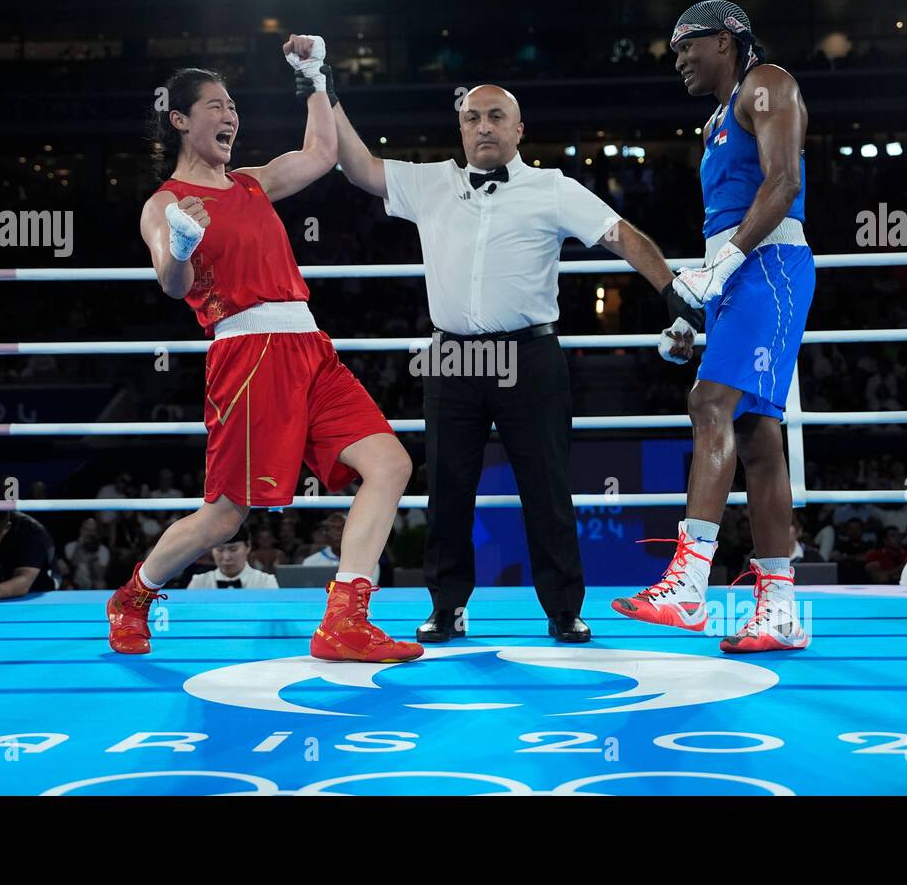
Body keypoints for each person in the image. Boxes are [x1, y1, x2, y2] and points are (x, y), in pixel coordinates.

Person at [105, 35, 421, 664]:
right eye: (217, 106)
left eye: (233, 106)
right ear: (180, 120)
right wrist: (185, 242)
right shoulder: (164, 204)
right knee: (225, 517)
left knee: (390, 464)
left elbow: (322, 152)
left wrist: (313, 78)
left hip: (309, 345)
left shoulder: (250, 184)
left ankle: (345, 619)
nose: (231, 115)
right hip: (247, 357)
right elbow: (172, 284)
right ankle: (133, 595)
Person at [328, 78, 678, 644]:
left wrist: (673, 293)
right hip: (452, 356)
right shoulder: (432, 182)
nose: (484, 126)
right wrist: (326, 89)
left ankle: (564, 609)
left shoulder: (551, 187)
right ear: (461, 128)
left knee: (546, 486)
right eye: (472, 118)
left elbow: (621, 235)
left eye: (496, 116)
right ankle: (446, 607)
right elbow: (359, 166)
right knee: (447, 488)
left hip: (531, 353)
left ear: (519, 129)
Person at [612, 0, 814, 652]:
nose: (679, 63)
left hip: (770, 265)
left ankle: (690, 584)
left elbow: (782, 184)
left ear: (724, 42)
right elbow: (725, 220)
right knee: (755, 435)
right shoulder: (712, 126)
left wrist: (722, 269)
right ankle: (779, 609)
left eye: (685, 48)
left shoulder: (768, 85)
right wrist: (699, 304)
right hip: (739, 276)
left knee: (708, 404)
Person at [186, 525, 278, 590]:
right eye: (219, 549)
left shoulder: (266, 582)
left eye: (233, 549)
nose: (226, 557)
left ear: (248, 547)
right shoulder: (199, 583)